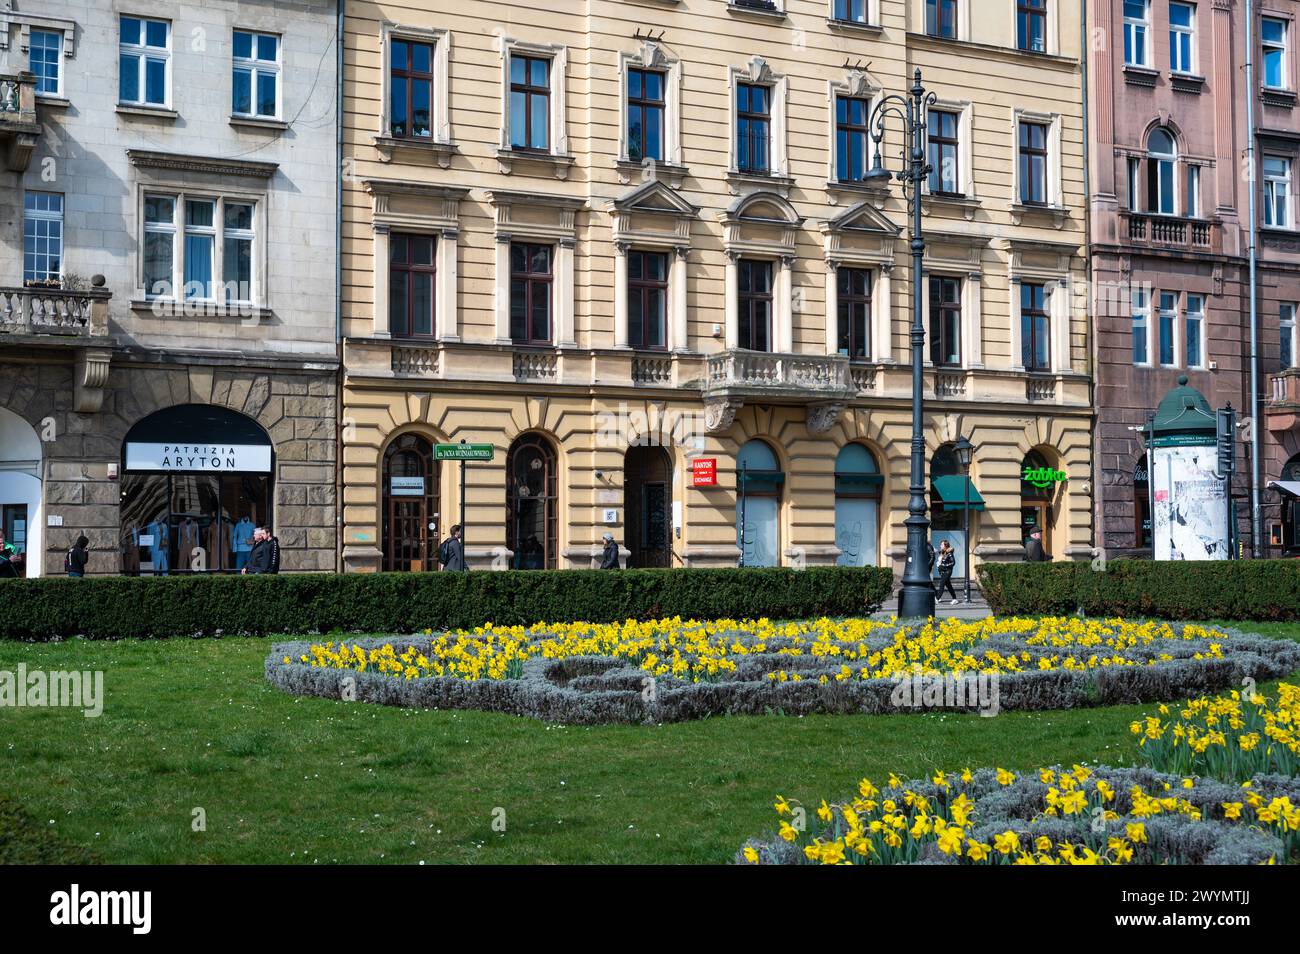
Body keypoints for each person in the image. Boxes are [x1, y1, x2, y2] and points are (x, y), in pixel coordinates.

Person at [934, 539, 958, 604]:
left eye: (941, 544)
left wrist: (944, 565)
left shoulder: (949, 553)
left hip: (947, 571)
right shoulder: (943, 552)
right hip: (943, 571)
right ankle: (954, 598)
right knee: (948, 585)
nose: (940, 546)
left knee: (942, 584)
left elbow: (953, 562)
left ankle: (937, 598)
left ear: (945, 545)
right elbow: (936, 552)